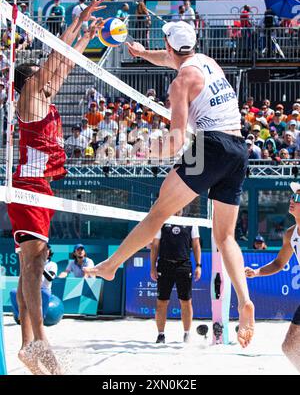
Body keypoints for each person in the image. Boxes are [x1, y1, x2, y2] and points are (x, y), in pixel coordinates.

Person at [84, 20, 255, 348]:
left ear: (170, 44)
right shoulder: (207, 62)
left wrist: (144, 151)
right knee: (225, 237)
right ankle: (245, 301)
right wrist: (142, 53)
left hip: (211, 147)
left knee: (157, 214)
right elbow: (170, 57)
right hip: (238, 150)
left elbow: (176, 141)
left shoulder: (180, 83)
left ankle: (111, 265)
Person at [7, 0, 105, 375]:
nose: (52, 82)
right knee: (34, 261)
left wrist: (88, 38)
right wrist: (78, 20)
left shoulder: (45, 101)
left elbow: (65, 63)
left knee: (32, 263)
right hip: (29, 187)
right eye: (44, 79)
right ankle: (38, 343)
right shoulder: (30, 100)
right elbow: (56, 60)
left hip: (41, 189)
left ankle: (25, 345)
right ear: (31, 83)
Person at [245, 182, 300, 372]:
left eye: (298, 198)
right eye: (293, 197)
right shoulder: (291, 234)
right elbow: (278, 263)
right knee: (289, 347)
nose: (292, 200)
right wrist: (258, 271)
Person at [150, 209, 201, 343]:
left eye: (180, 207)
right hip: (165, 264)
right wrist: (152, 267)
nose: (178, 209)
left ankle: (187, 333)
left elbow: (196, 244)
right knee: (162, 301)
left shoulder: (191, 222)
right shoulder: (162, 221)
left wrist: (199, 265)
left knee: (186, 301)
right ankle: (161, 335)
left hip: (183, 265)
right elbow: (155, 245)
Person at [10, 244, 58, 323]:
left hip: (43, 289)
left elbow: (50, 278)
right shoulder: (31, 263)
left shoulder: (52, 265)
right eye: (42, 250)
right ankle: (20, 317)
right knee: (13, 292)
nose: (44, 251)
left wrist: (40, 266)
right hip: (30, 290)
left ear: (49, 252)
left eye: (46, 249)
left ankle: (41, 318)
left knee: (45, 293)